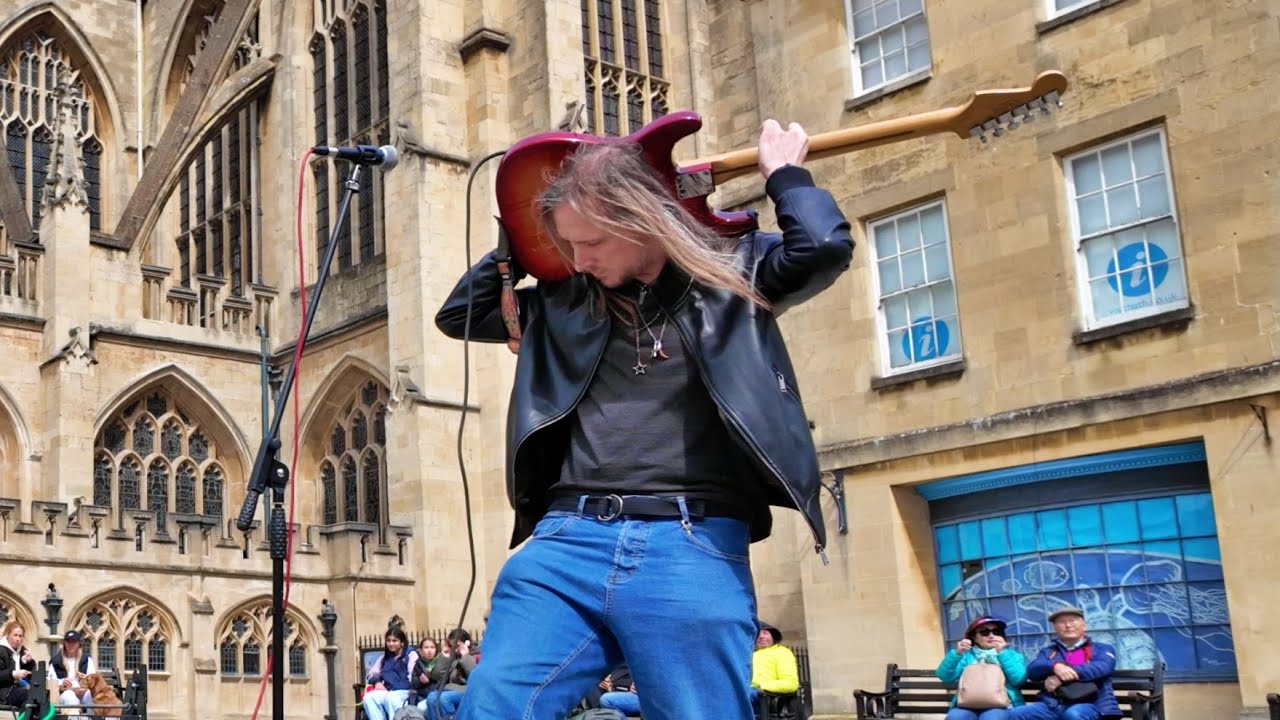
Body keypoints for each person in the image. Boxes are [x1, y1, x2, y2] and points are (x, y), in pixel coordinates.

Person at [434, 118, 853, 720]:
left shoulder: (732, 274)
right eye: (566, 244)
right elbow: (459, 314)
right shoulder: (563, 300)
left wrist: (784, 174)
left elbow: (822, 248)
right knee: (493, 706)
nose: (578, 260)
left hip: (689, 543)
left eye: (592, 243)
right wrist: (522, 244)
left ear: (642, 221)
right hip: (566, 540)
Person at [1010, 607, 1119, 720]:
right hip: (1052, 704)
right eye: (1062, 622)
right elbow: (1033, 670)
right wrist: (1055, 666)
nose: (1068, 625)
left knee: (1073, 714)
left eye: (1072, 620)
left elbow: (1103, 667)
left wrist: (1061, 677)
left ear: (1084, 625)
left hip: (1090, 704)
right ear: (1055, 628)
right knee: (1016, 714)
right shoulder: (1048, 651)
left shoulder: (1101, 648)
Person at [935, 616, 1027, 720]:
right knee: (955, 717)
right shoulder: (966, 656)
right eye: (984, 632)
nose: (991, 635)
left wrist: (1002, 653)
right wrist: (957, 654)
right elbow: (945, 677)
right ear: (974, 638)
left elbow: (1018, 680)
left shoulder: (1013, 655)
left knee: (992, 718)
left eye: (996, 632)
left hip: (1002, 705)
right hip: (968, 704)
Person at [361, 627, 419, 720]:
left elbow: (413, 677)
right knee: (368, 698)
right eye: (388, 641)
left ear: (402, 642)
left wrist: (396, 688)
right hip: (388, 691)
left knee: (391, 698)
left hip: (405, 691)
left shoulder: (410, 655)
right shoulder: (384, 658)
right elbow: (372, 674)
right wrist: (377, 682)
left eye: (394, 641)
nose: (391, 644)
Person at [418, 629, 475, 720]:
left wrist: (466, 658)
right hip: (449, 690)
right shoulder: (453, 658)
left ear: (466, 643)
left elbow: (475, 678)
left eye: (457, 646)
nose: (454, 649)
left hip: (467, 692)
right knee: (431, 698)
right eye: (451, 646)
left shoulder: (474, 656)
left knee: (443, 698)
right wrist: (444, 657)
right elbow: (436, 676)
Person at [750, 622, 799, 715]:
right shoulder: (750, 655)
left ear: (773, 636)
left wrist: (762, 686)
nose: (761, 636)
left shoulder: (783, 653)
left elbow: (791, 683)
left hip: (768, 698)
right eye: (757, 634)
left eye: (765, 633)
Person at [48, 629, 96, 708]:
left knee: (92, 696)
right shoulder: (56, 661)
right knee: (70, 698)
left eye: (74, 642)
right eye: (68, 641)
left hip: (83, 692)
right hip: (65, 693)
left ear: (79, 643)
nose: (71, 644)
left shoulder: (86, 660)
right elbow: (51, 681)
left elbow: (93, 678)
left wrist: (86, 679)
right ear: (64, 643)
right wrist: (62, 682)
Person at [0, 620, 36, 707]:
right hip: (4, 691)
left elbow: (33, 675)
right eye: (15, 635)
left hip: (19, 688)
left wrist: (28, 662)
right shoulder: (1, 650)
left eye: (20, 636)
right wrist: (13, 674)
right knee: (28, 696)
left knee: (40, 696)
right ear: (8, 635)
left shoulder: (22, 651)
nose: (18, 639)